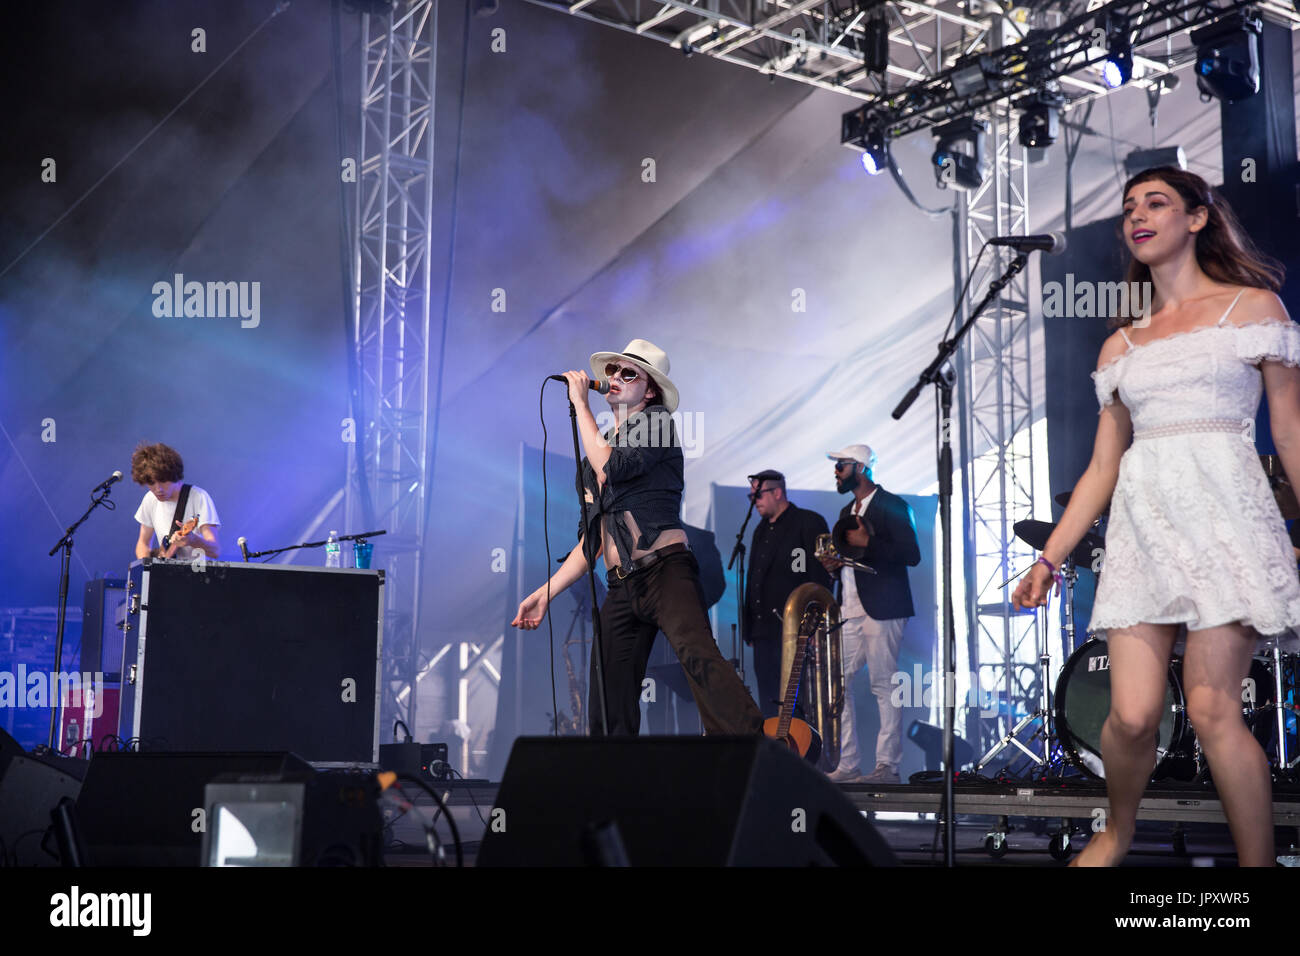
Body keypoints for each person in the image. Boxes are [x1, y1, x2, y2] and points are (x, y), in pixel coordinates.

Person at [1012, 166, 1300, 867]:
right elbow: (1101, 471)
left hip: (1225, 519)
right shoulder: (1122, 346)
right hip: (1144, 529)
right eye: (1129, 206)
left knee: (1210, 710)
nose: (1138, 215)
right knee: (1134, 715)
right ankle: (1117, 830)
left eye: (1157, 202)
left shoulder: (1254, 310)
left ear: (1198, 218)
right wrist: (1048, 558)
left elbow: (1291, 435)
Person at [512, 339, 763, 737]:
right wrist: (546, 592)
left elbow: (614, 466)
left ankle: (753, 747)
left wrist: (580, 405)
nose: (614, 378)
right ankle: (615, 781)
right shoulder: (590, 459)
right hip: (621, 586)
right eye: (612, 370)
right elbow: (589, 543)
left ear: (650, 391)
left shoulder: (657, 423)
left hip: (665, 571)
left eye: (629, 373)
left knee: (698, 657)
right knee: (608, 689)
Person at [819, 444, 921, 784]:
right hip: (849, 607)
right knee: (838, 685)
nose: (836, 472)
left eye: (841, 466)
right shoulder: (847, 509)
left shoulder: (894, 505)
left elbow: (911, 553)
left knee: (884, 683)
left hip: (884, 607)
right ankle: (848, 763)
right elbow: (853, 559)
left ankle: (886, 767)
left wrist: (867, 543)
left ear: (860, 467)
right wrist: (834, 567)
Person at [743, 469, 832, 719]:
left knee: (796, 699)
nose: (754, 501)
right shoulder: (760, 529)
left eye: (758, 495)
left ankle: (799, 753)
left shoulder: (807, 522)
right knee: (768, 698)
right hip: (763, 632)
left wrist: (815, 624)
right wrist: (749, 626)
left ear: (778, 492)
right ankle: (774, 751)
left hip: (794, 630)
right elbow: (754, 578)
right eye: (751, 496)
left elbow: (819, 577)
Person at [131, 442, 220, 560]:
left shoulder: (198, 497)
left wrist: (193, 540)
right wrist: (148, 571)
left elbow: (215, 550)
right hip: (166, 575)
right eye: (151, 483)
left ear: (173, 475)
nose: (158, 489)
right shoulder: (150, 499)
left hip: (197, 573)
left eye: (163, 481)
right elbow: (143, 543)